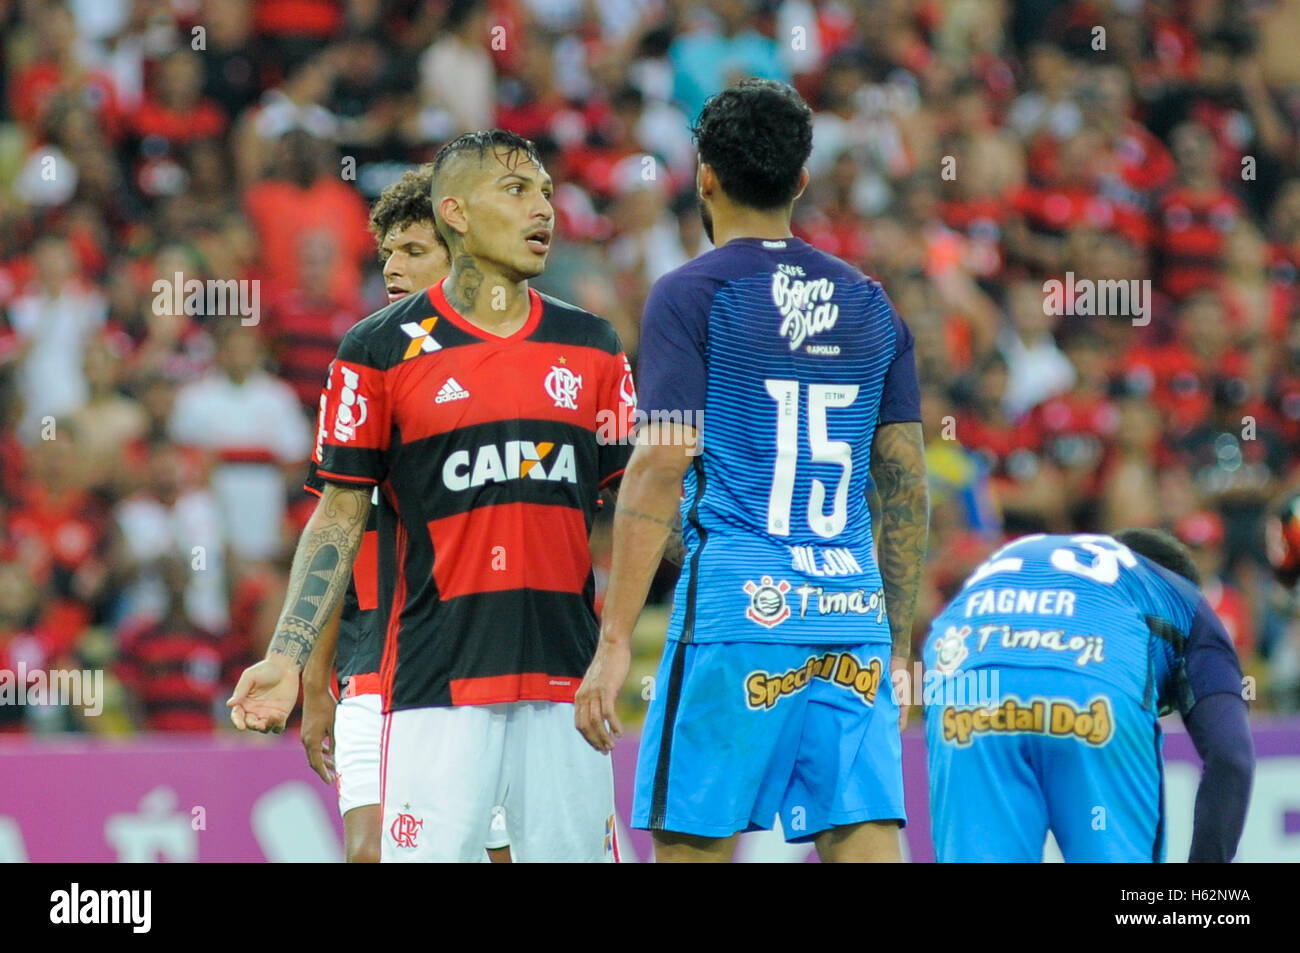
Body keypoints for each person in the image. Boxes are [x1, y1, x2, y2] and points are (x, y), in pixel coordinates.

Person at [229, 130, 638, 863]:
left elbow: (636, 512)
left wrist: (621, 645)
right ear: (456, 211)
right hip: (431, 685)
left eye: (545, 191)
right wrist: (291, 658)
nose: (542, 207)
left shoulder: (595, 347)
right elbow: (339, 514)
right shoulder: (376, 351)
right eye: (516, 191)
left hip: (563, 685)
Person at [575, 79, 930, 863]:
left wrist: (613, 642)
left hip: (739, 615)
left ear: (704, 175)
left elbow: (661, 460)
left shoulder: (689, 295)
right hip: (850, 616)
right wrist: (897, 647)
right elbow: (904, 484)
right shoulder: (873, 303)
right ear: (801, 180)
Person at [296, 165, 511, 863]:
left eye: (414, 250)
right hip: (375, 658)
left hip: (492, 661)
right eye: (386, 251)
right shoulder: (363, 362)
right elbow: (336, 526)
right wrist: (311, 676)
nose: (392, 266)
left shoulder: (520, 364)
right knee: (371, 852)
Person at [922, 529, 1254, 862]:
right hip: (1090, 693)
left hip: (964, 687)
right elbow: (1232, 755)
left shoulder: (1026, 554)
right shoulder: (1183, 598)